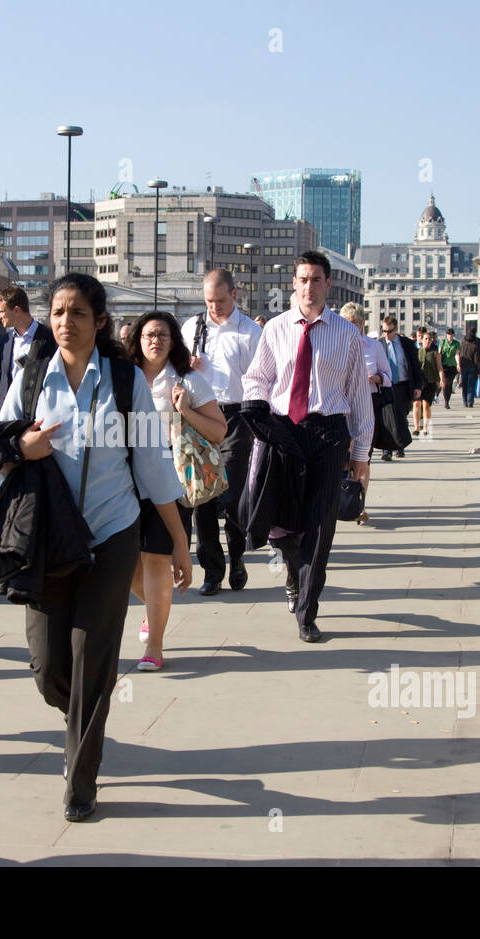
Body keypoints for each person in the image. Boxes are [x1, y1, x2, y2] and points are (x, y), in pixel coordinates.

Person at [0, 273, 191, 822]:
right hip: (47, 538)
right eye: (57, 312)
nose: (65, 322)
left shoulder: (124, 381)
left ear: (99, 321)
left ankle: (81, 781)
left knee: (93, 654)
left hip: (113, 533)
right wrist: (22, 445)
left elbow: (154, 466)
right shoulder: (33, 375)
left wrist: (179, 543)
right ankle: (76, 712)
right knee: (48, 664)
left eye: (77, 312)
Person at [242, 251, 373, 643]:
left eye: (316, 279)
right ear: (294, 284)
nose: (309, 286)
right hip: (283, 431)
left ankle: (307, 613)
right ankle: (295, 569)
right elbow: (256, 379)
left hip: (327, 434)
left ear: (328, 284)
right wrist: (260, 419)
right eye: (303, 279)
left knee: (320, 525)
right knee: (274, 521)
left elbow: (358, 397)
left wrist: (361, 454)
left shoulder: (347, 334)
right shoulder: (277, 329)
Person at [126, 310, 225, 670]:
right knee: (126, 564)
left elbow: (219, 431)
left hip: (172, 479)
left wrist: (185, 410)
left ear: (173, 342)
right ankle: (154, 607)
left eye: (163, 336)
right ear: (137, 340)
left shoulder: (187, 380)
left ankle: (155, 646)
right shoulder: (125, 378)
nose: (155, 341)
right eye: (149, 335)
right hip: (125, 479)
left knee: (156, 558)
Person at [179, 269, 261, 595]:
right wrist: (187, 366)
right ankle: (212, 571)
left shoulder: (250, 332)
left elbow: (261, 379)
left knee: (232, 494)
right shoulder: (192, 328)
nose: (215, 307)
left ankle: (237, 555)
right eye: (209, 301)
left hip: (237, 417)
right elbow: (175, 369)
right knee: (203, 498)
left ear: (235, 295)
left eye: (221, 301)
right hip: (199, 416)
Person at [342, 304, 388, 522]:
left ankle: (359, 504)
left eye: (354, 324)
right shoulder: (334, 345)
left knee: (363, 457)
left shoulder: (373, 347)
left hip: (367, 406)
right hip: (341, 408)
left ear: (361, 325)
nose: (350, 328)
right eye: (346, 323)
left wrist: (375, 378)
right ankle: (343, 500)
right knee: (344, 458)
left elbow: (388, 377)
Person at [0, 285, 55, 421]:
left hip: (35, 415)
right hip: (6, 417)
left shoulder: (50, 338)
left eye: (1, 312)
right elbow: (1, 380)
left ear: (16, 310)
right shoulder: (4, 341)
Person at [378, 315, 421, 461]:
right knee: (387, 419)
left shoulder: (407, 344)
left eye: (389, 331)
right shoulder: (379, 344)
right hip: (386, 386)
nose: (386, 334)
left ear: (396, 329)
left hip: (403, 386)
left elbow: (415, 366)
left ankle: (400, 446)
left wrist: (417, 386)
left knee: (401, 417)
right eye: (383, 331)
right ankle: (386, 450)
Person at [416, 329, 441, 435]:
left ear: (432, 341)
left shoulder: (435, 353)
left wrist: (441, 379)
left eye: (429, 339)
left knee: (426, 405)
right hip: (418, 382)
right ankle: (417, 427)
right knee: (417, 404)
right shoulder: (416, 352)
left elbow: (440, 367)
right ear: (421, 340)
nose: (427, 341)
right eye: (425, 339)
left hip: (430, 381)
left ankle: (425, 427)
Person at [460, 328, 480, 408]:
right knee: (471, 384)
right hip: (473, 367)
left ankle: (464, 401)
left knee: (464, 384)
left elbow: (459, 353)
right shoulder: (477, 342)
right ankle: (470, 401)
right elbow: (479, 357)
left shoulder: (462, 341)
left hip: (463, 366)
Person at [439, 328, 460, 409]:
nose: (450, 336)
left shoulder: (456, 343)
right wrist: (438, 364)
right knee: (445, 383)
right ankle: (446, 402)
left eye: (451, 334)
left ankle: (448, 400)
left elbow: (457, 354)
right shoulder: (442, 342)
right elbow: (439, 353)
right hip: (444, 366)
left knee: (450, 383)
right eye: (448, 334)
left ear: (453, 335)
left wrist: (458, 364)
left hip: (452, 366)